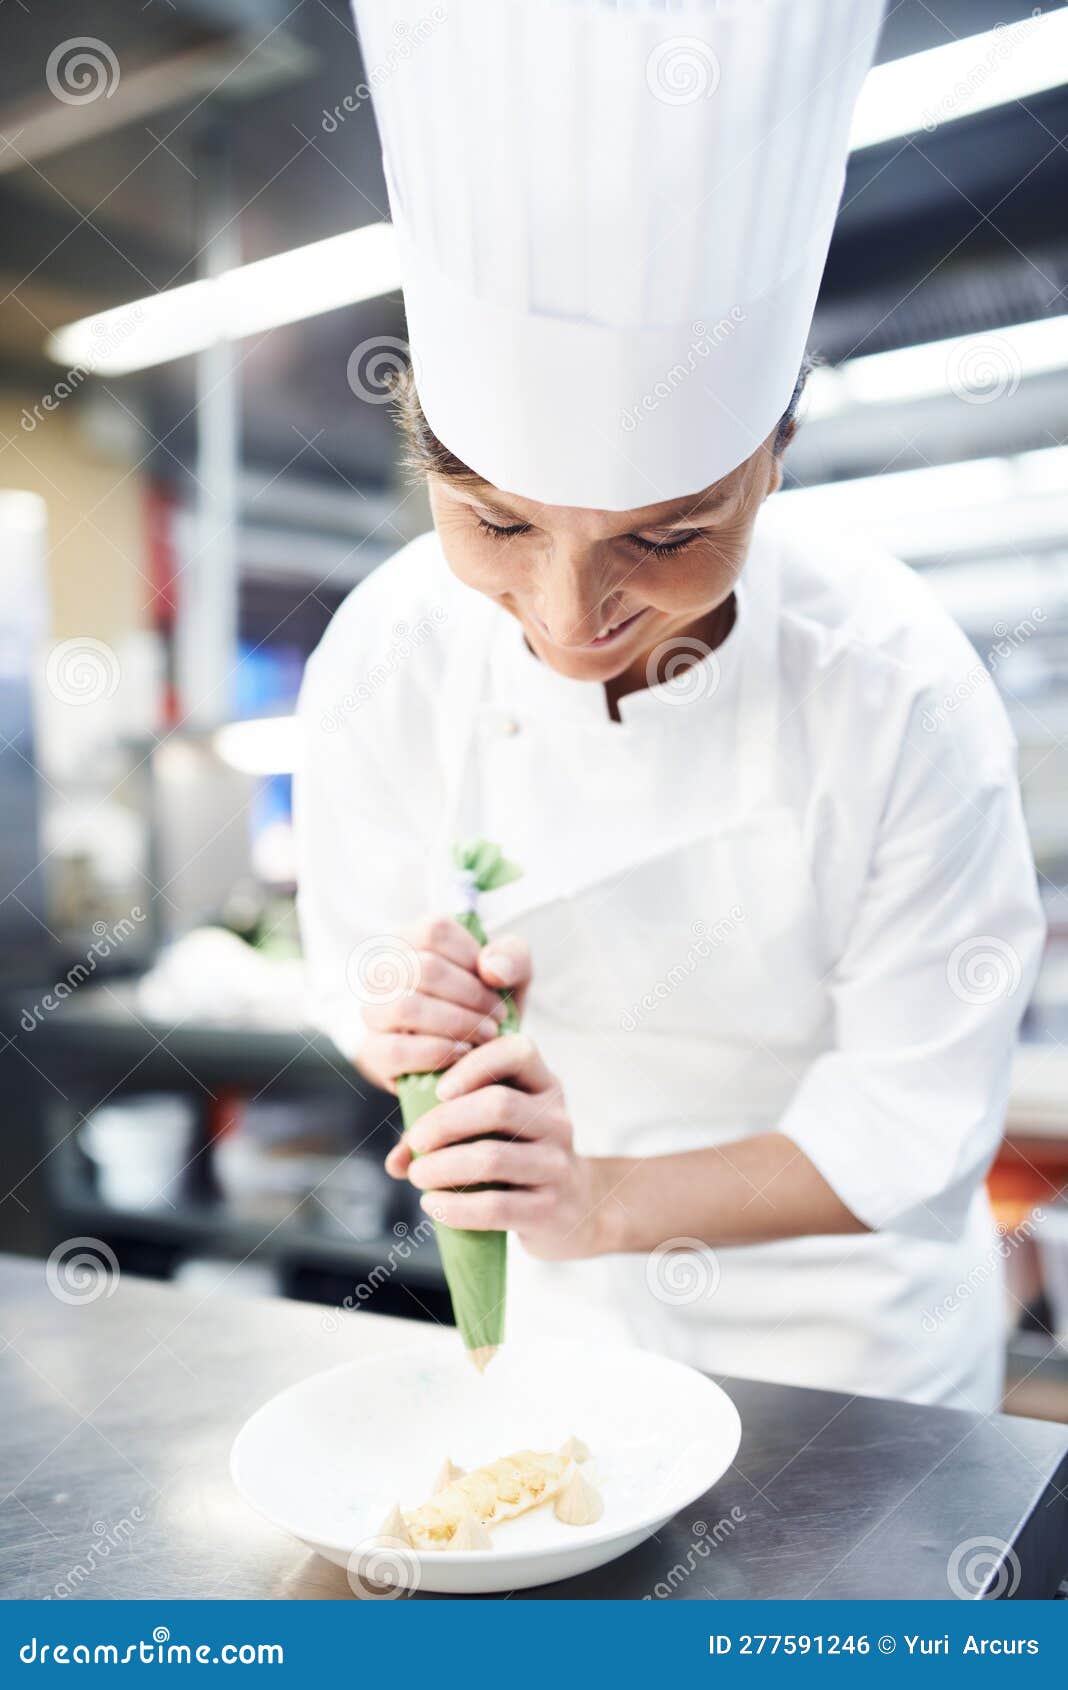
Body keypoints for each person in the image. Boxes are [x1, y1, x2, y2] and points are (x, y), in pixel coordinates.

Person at [296, 0, 1044, 1407]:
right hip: (567, 1346)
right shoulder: (385, 660)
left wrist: (601, 1201)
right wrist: (400, 1007)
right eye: (496, 524)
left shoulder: (899, 692)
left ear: (774, 461)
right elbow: (356, 965)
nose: (571, 618)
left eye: (664, 533)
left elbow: (910, 1116)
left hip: (857, 1368)